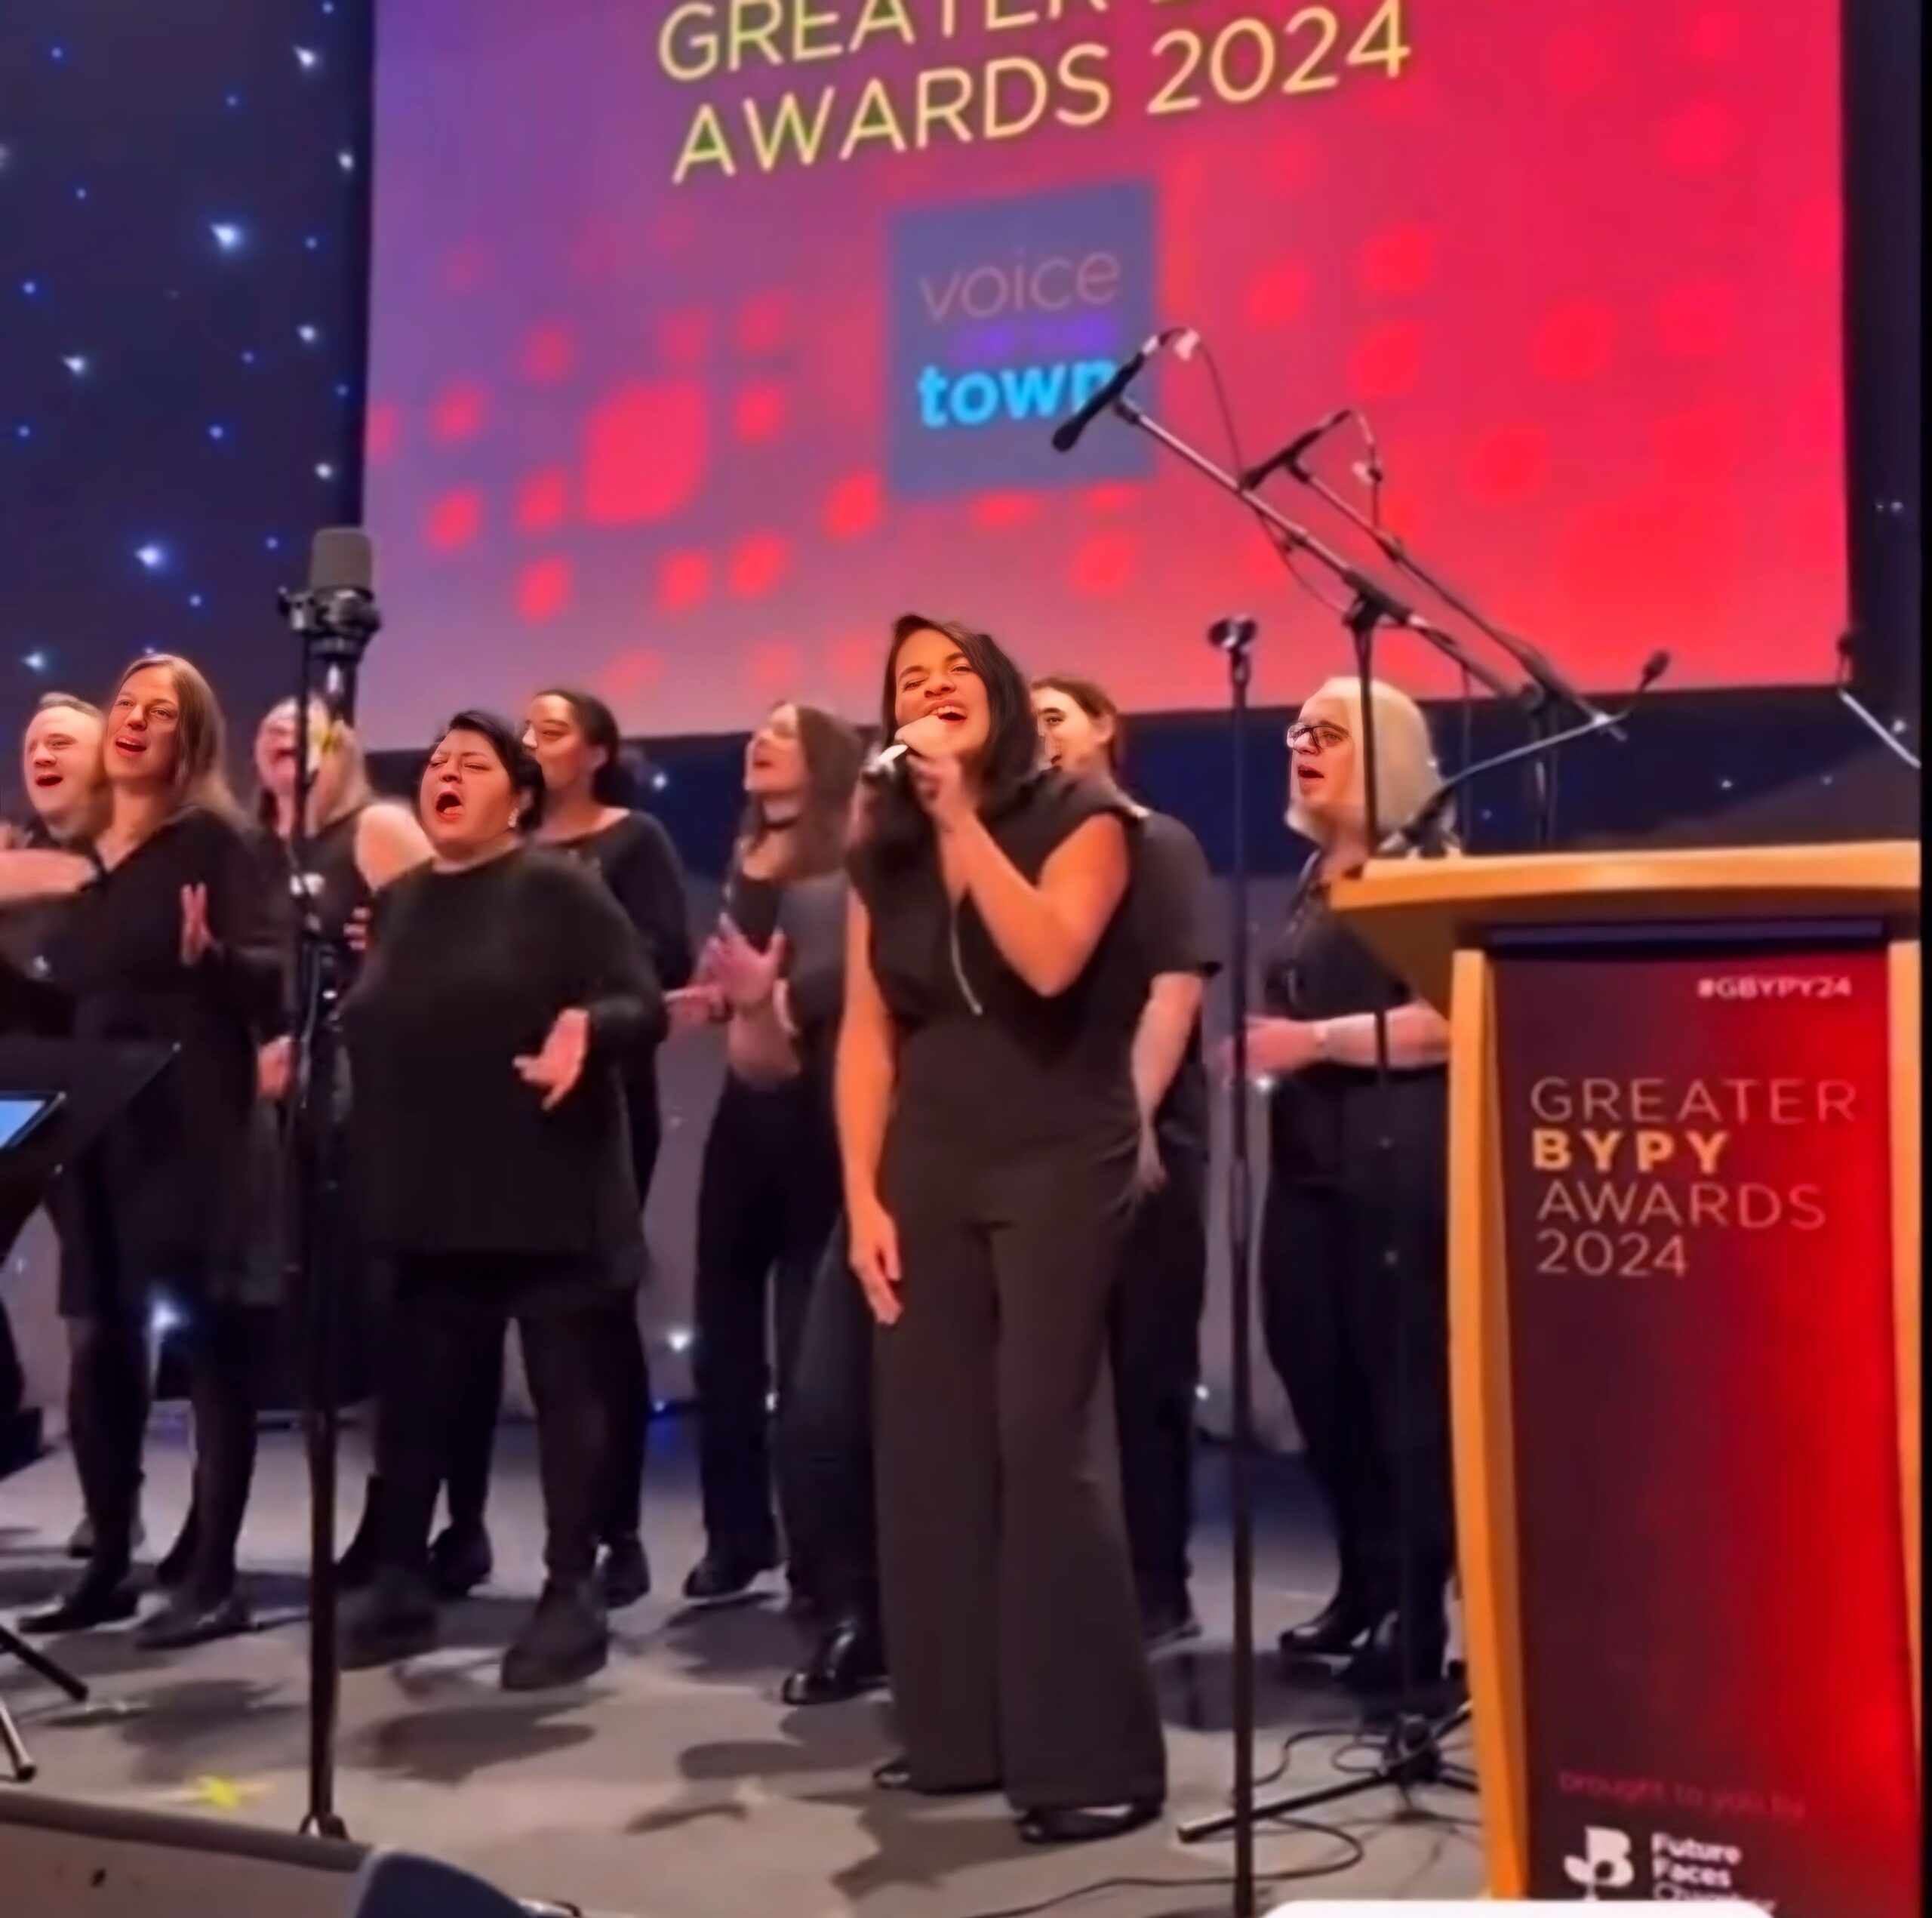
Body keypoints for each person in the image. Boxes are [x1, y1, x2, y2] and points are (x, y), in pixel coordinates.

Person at [838, 616, 1165, 1845]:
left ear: (1005, 696)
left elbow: (1047, 959)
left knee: (1041, 1441)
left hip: (1056, 1149)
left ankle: (1090, 1756)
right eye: (907, 684)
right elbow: (871, 1034)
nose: (930, 693)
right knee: (929, 1443)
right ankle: (956, 1730)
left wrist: (962, 820)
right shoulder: (883, 848)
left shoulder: (1081, 816)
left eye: (952, 675)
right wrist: (862, 1193)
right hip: (932, 1155)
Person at [338, 711, 663, 1690]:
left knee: (566, 1389)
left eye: (470, 764)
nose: (444, 774)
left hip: (545, 1182)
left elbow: (640, 1000)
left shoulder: (560, 887)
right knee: (422, 1393)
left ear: (518, 795)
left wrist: (586, 1028)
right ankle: (403, 1575)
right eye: (435, 762)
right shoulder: (399, 905)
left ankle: (572, 1590)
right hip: (428, 1190)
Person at [1, 656, 284, 1649]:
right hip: (102, 1132)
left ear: (190, 741)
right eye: (127, 704)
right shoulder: (85, 863)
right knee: (101, 1345)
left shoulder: (214, 840)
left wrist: (217, 959)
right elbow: (69, 1001)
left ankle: (214, 1575)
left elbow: (279, 983)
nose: (136, 721)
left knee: (210, 1354)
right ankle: (112, 1561)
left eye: (161, 713)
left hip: (197, 1125)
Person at [1245, 675, 1454, 1695]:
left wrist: (1314, 1041)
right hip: (1307, 1167)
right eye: (1297, 732)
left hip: (1395, 1163)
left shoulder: (1428, 868)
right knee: (1312, 1370)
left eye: (1327, 734)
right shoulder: (1314, 870)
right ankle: (1364, 1583)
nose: (1302, 748)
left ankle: (1421, 1616)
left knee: (1401, 1394)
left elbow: (1452, 1018)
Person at [1032, 674, 1218, 1646]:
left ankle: (1156, 1587)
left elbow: (1172, 991)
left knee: (1145, 1368)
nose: (1039, 739)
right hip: (1044, 1149)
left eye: (1054, 718)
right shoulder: (1030, 858)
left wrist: (1132, 1118)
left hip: (1139, 1140)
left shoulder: (1158, 842)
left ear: (1105, 728)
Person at [678, 700, 862, 1607]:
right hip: (744, 1111)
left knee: (805, 1348)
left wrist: (771, 999)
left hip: (819, 1111)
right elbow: (744, 975)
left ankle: (818, 1550)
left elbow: (832, 979)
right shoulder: (745, 855)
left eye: (784, 733)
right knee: (720, 1335)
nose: (759, 740)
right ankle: (734, 1533)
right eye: (758, 729)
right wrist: (721, 999)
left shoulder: (848, 861)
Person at [702, 804, 880, 1704]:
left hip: (973, 1176)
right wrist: (753, 1002)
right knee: (819, 1413)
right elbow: (771, 1064)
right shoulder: (824, 905)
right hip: (855, 1186)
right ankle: (850, 1610)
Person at [250, 699, 430, 1587]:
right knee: (321, 1337)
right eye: (272, 731)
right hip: (292, 1116)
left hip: (374, 1107)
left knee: (394, 1326)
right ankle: (352, 1534)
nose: (285, 741)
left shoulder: (379, 826)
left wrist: (343, 1022)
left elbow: (447, 938)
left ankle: (404, 1536)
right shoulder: (266, 851)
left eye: (306, 729)